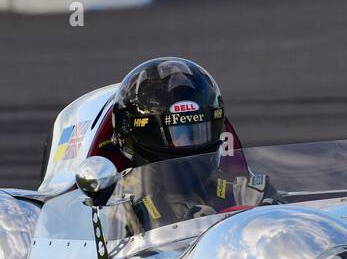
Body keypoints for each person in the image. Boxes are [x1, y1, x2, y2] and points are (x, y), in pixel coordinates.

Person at [96, 57, 265, 225]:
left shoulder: (239, 191)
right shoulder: (119, 204)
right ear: (143, 133)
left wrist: (272, 208)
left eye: (198, 131)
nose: (189, 142)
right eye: (178, 134)